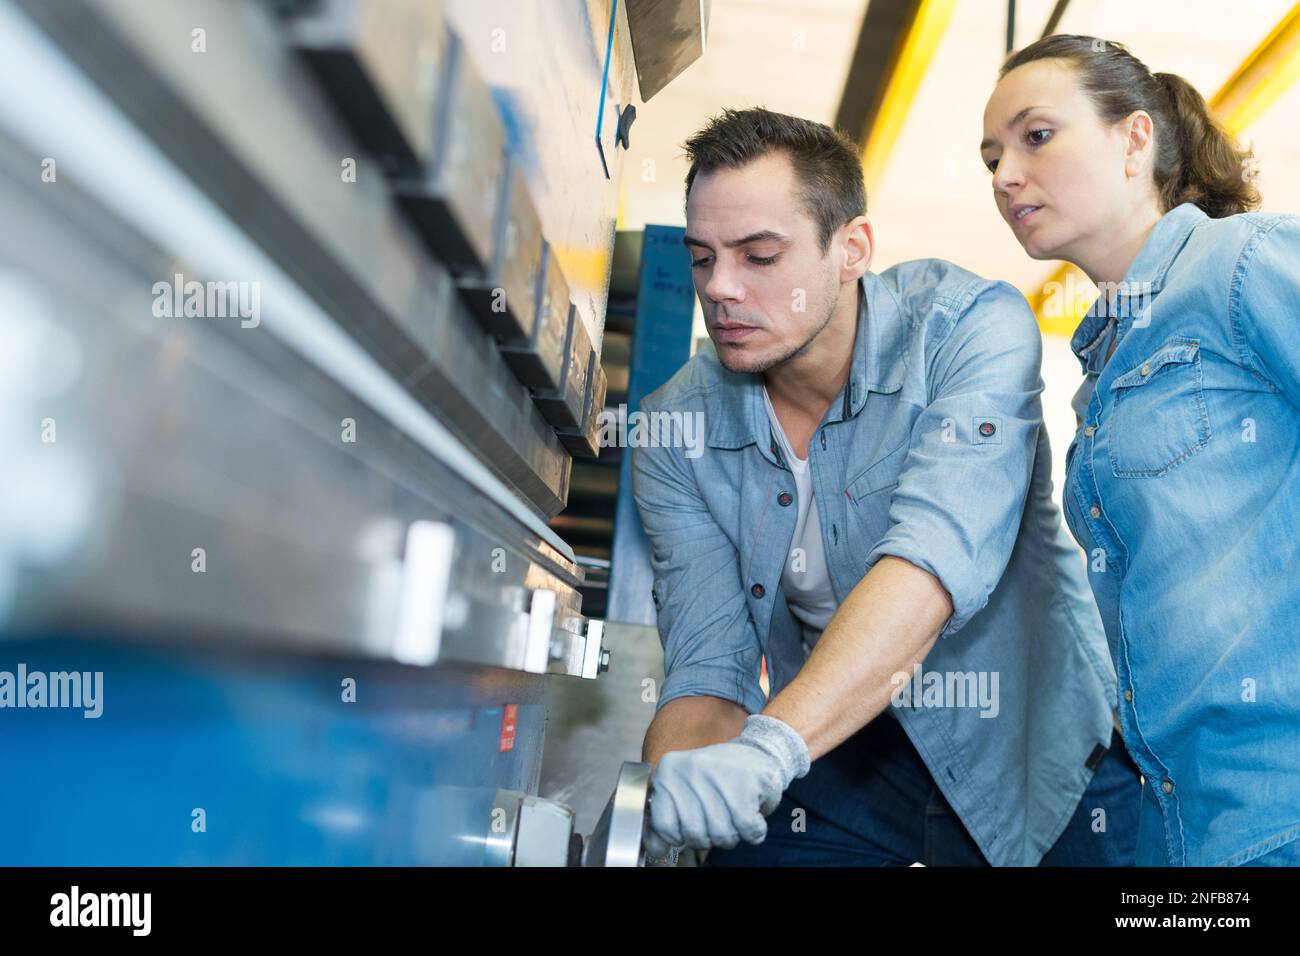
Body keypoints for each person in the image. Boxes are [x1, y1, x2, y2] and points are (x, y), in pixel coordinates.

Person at [632, 106, 1139, 867]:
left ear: (852, 249)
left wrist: (766, 749)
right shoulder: (674, 429)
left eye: (759, 256)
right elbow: (709, 661)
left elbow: (931, 562)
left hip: (1038, 754)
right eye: (702, 259)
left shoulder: (969, 328)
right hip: (841, 751)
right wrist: (675, 792)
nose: (722, 289)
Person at [981, 34, 1300, 866]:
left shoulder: (1242, 264)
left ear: (1134, 140)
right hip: (1181, 821)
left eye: (1035, 136)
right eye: (992, 156)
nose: (1005, 175)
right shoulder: (1099, 372)